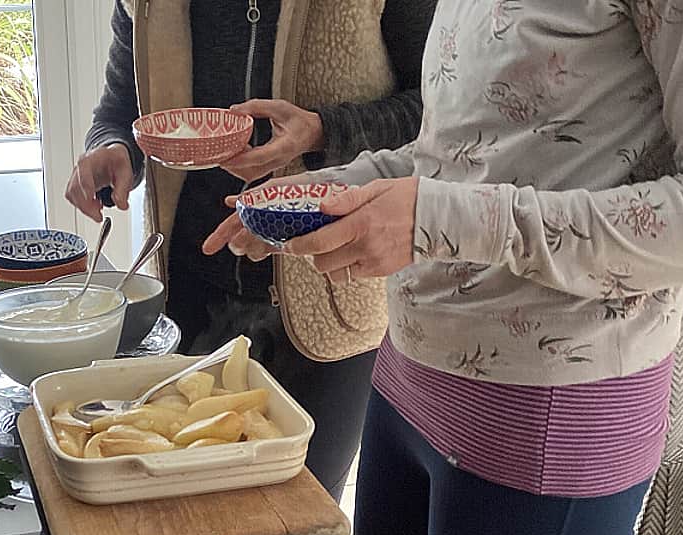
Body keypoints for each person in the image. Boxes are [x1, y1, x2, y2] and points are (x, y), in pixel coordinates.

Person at [205, 0, 683, 535]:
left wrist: (441, 219)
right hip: (411, 379)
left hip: (551, 407)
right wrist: (339, 191)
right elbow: (455, 154)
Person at [66, 0, 437, 500]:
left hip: (329, 302)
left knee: (301, 516)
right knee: (187, 509)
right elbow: (120, 109)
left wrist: (324, 131)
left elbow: (438, 113)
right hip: (187, 291)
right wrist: (111, 147)